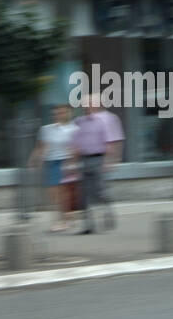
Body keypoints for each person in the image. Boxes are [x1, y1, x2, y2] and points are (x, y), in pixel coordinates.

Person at [72, 94, 124, 234]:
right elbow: (75, 144)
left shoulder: (105, 120)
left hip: (99, 159)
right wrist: (73, 163)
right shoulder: (79, 122)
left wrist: (111, 160)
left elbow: (112, 142)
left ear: (97, 104)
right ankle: (88, 225)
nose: (86, 106)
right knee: (84, 195)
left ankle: (108, 211)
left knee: (100, 191)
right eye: (84, 103)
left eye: (89, 103)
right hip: (84, 159)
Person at [30, 103, 77, 232]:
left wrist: (73, 163)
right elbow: (41, 146)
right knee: (53, 194)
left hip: (66, 162)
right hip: (50, 162)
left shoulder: (74, 129)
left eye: (63, 112)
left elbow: (76, 148)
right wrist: (35, 159)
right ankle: (64, 218)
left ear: (69, 113)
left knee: (63, 193)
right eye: (57, 112)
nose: (59, 114)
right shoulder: (46, 129)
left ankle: (63, 220)